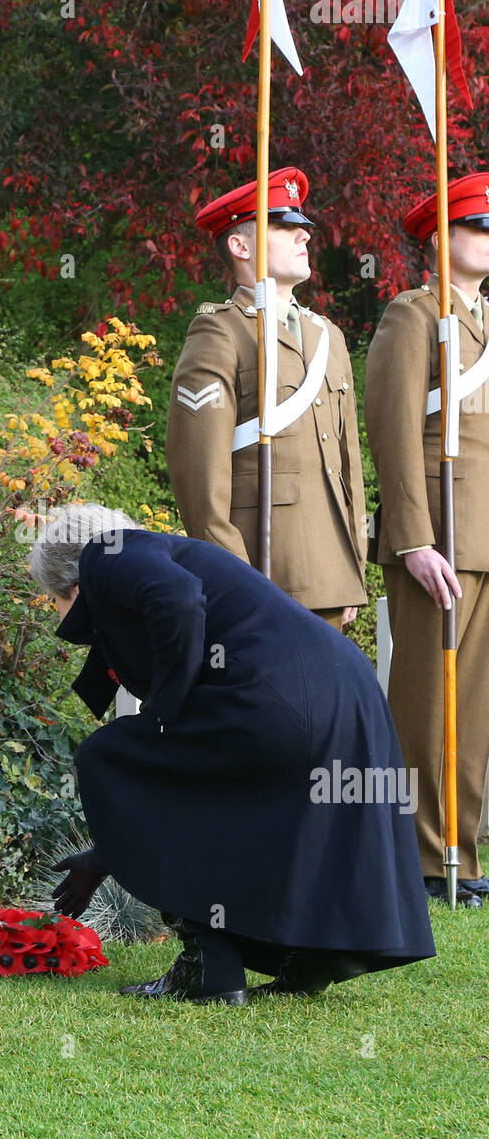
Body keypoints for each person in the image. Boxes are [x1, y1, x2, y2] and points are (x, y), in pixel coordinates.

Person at [29, 503, 435, 1005]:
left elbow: (176, 599)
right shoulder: (162, 551)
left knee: (107, 755)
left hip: (278, 694)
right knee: (259, 807)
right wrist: (104, 855)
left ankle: (209, 966)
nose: (56, 614)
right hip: (343, 691)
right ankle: (314, 954)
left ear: (68, 583)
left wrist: (166, 716)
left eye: (52, 601)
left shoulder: (106, 556)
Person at [166, 166, 367, 630]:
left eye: (303, 227)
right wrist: (234, 579)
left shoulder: (328, 337)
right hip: (263, 573)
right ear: (240, 246)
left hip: (330, 572)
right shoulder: (220, 331)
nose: (304, 237)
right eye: (283, 226)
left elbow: (347, 462)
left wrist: (351, 563)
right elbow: (200, 473)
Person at [364, 171, 489, 906]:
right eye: (481, 228)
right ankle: (414, 857)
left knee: (473, 708)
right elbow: (393, 430)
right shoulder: (414, 316)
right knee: (422, 706)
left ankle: (461, 857)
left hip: (486, 538)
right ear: (444, 239)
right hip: (438, 541)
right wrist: (412, 537)